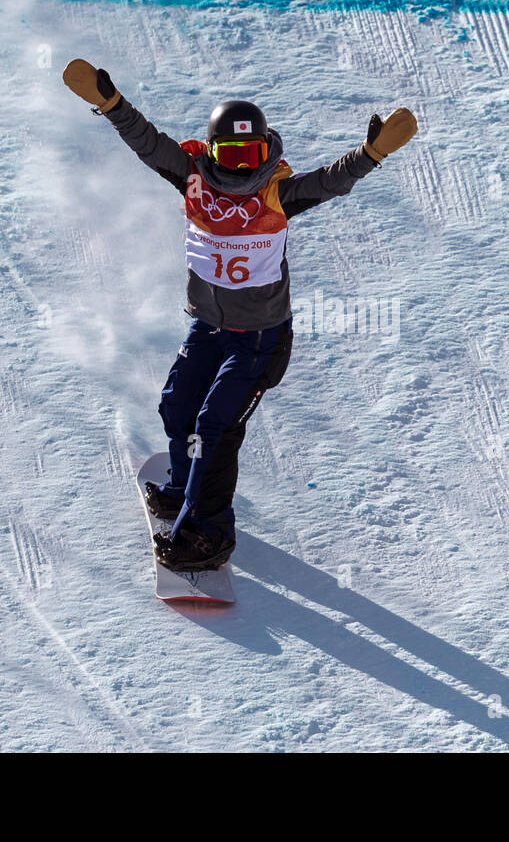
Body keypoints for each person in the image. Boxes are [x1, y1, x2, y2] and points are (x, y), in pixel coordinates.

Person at [63, 59, 417, 571]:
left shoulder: (275, 192)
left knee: (215, 430)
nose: (239, 166)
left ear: (266, 150)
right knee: (176, 409)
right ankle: (183, 489)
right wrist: (112, 106)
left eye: (250, 153)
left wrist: (371, 153)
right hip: (208, 326)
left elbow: (332, 181)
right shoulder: (193, 181)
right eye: (229, 153)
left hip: (258, 340)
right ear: (211, 152)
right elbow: (149, 143)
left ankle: (211, 536)